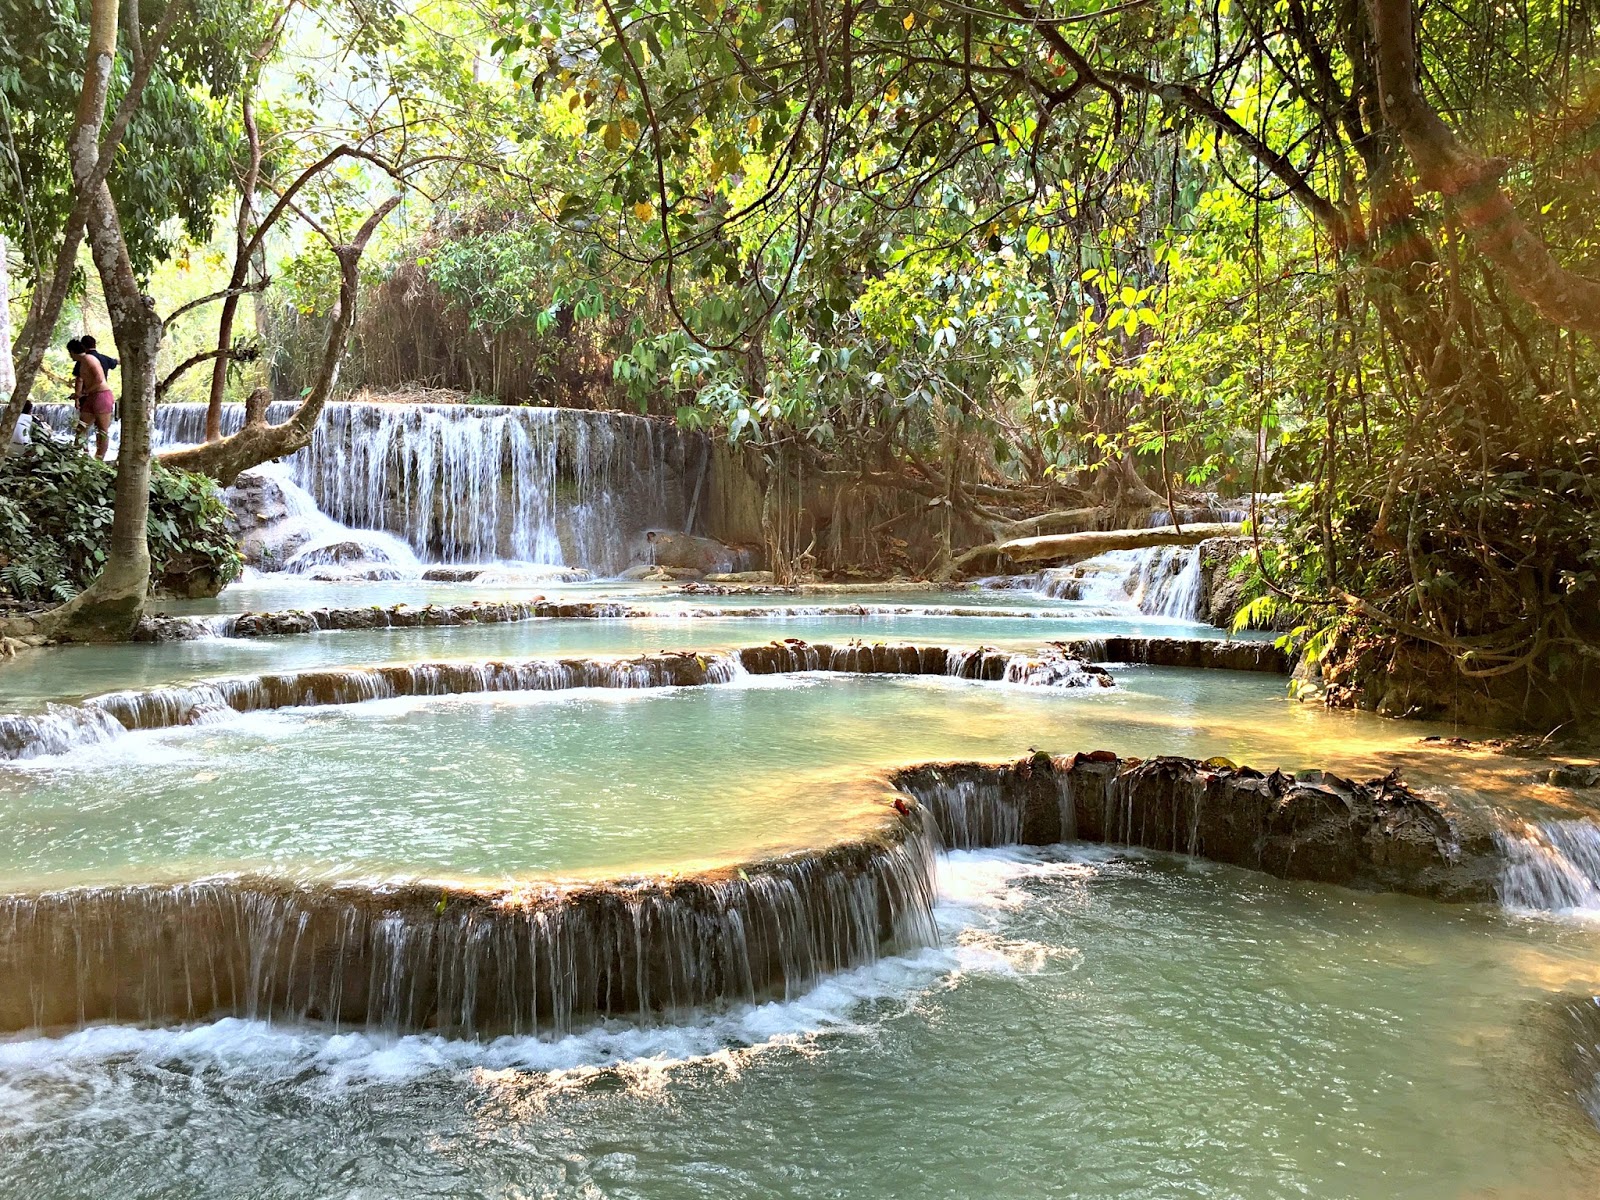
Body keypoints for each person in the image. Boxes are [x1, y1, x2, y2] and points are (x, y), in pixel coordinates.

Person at [69, 338, 114, 460]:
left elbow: (99, 380)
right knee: (81, 428)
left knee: (102, 431)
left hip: (102, 396)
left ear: (72, 352)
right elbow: (80, 380)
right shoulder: (82, 362)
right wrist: (78, 395)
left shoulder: (90, 359)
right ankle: (82, 456)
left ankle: (99, 458)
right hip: (91, 397)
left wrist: (84, 393)